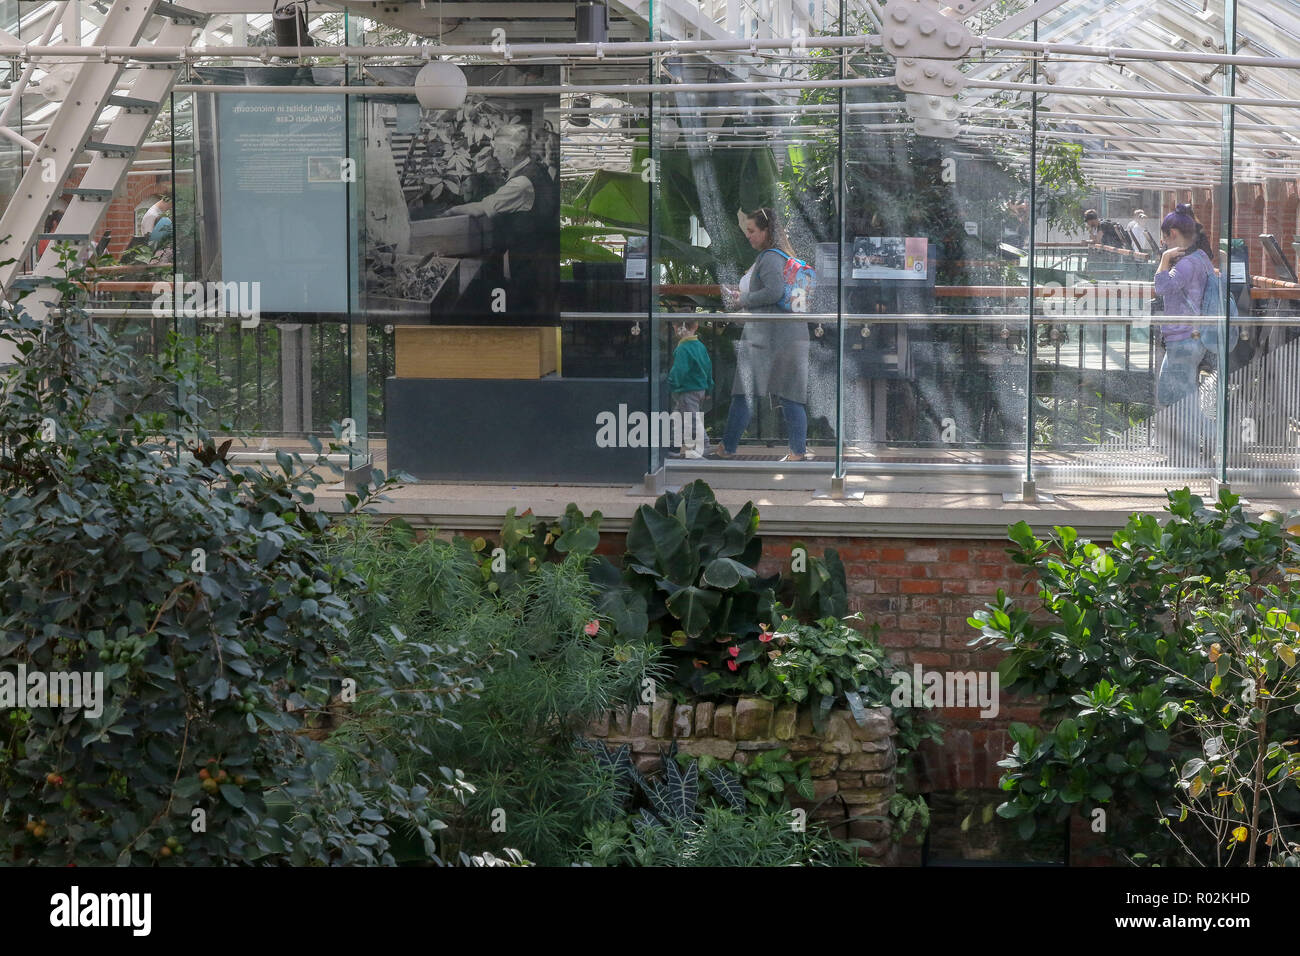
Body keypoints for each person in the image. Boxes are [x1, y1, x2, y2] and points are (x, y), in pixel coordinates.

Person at [711, 207, 812, 462]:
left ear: (766, 232)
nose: (749, 236)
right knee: (791, 396)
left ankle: (727, 447)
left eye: (753, 231)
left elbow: (774, 292)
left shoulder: (768, 258)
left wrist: (743, 299)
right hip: (792, 335)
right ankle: (797, 451)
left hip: (764, 339)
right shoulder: (784, 257)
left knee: (743, 393)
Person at [448, 123, 557, 312]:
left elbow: (481, 208)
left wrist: (449, 212)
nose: (495, 155)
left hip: (530, 265)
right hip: (542, 259)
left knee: (525, 311)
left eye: (497, 150)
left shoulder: (521, 184)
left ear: (512, 151)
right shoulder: (536, 168)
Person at [666, 319, 713, 458]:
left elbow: (679, 370)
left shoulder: (683, 348)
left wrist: (670, 383)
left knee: (691, 419)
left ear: (677, 327)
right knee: (678, 418)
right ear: (696, 326)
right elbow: (708, 367)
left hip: (688, 390)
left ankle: (703, 445)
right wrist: (709, 387)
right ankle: (674, 446)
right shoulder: (699, 346)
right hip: (700, 389)